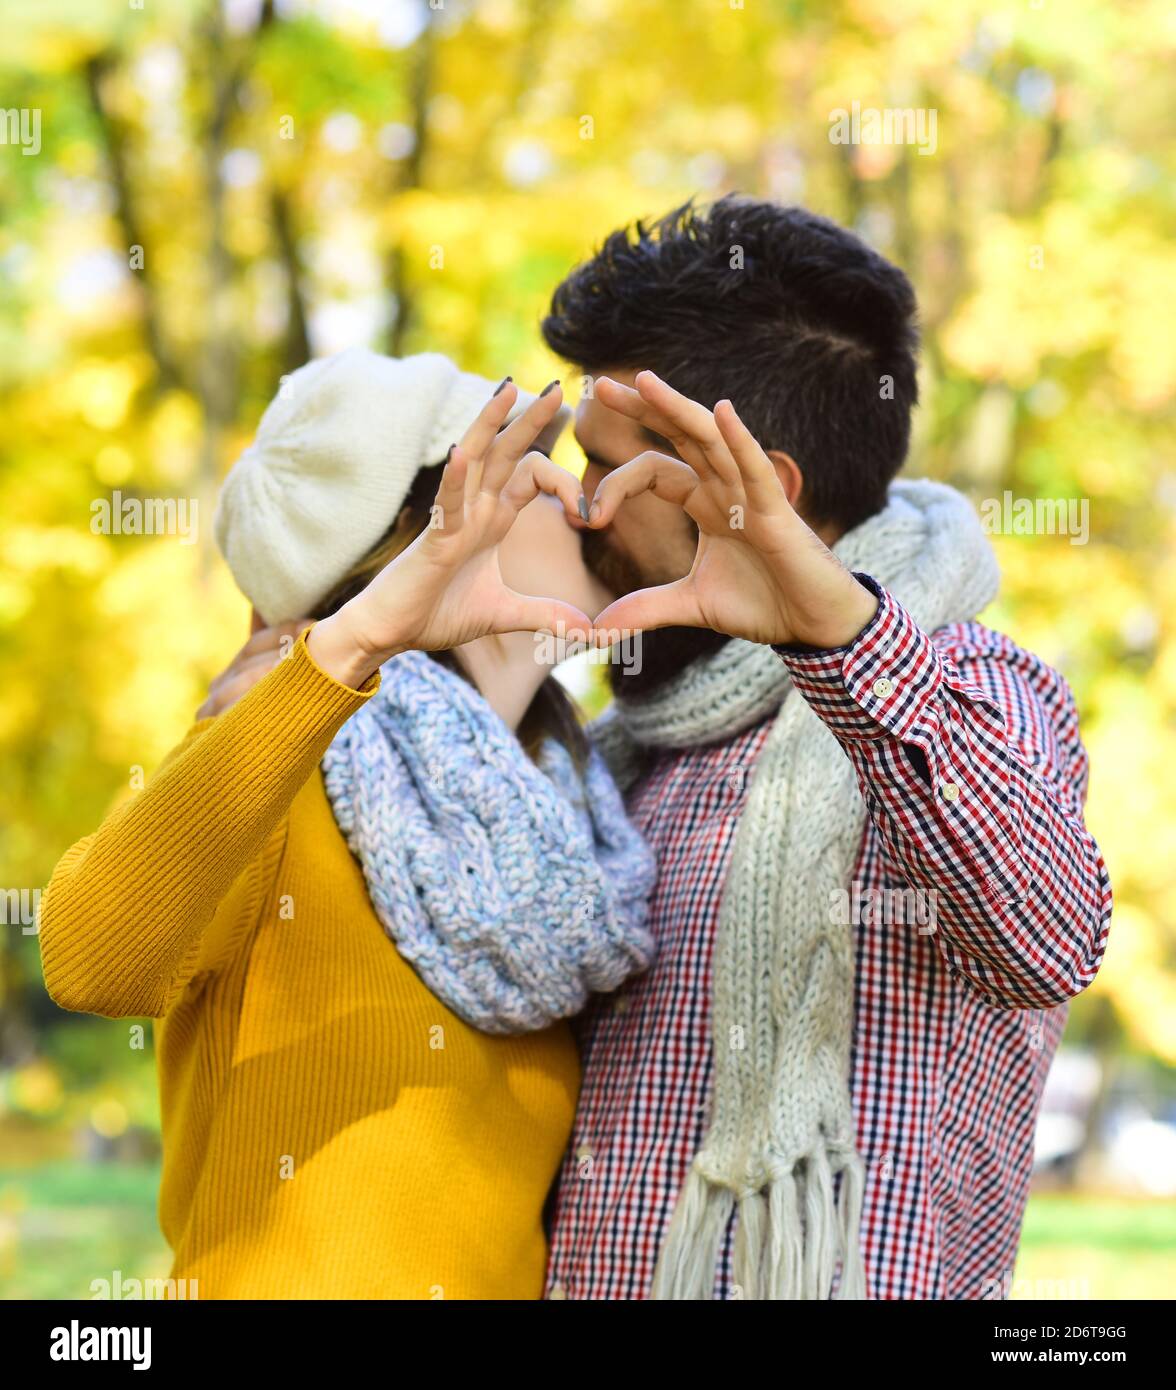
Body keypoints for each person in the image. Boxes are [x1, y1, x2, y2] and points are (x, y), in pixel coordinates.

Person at [538, 197, 1113, 1300]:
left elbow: (1046, 936)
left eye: (608, 470)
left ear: (758, 494)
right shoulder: (632, 747)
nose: (578, 503)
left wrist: (839, 632)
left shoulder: (976, 695)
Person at [38, 351, 655, 1299]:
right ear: (431, 528)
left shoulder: (564, 820)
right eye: (530, 462)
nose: (576, 491)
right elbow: (89, 955)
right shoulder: (283, 761)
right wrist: (354, 643)